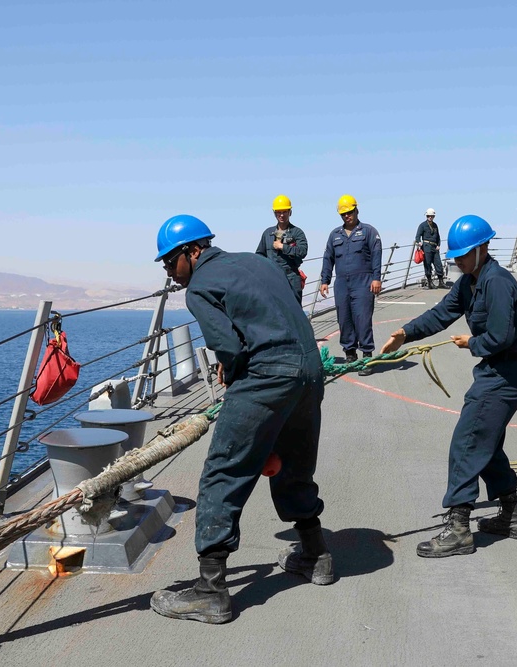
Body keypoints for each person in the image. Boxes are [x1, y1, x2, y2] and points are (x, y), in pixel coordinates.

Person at [150, 214, 331, 625]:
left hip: (267, 376)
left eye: (170, 262)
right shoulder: (257, 261)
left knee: (223, 472)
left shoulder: (199, 286)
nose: (169, 272)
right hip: (309, 370)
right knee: (294, 465)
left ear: (192, 252)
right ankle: (316, 555)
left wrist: (231, 371)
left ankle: (210, 592)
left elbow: (228, 347)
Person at [381, 215, 517, 557]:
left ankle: (459, 528)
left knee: (467, 441)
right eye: (456, 256)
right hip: (495, 371)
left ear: (482, 249)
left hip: (506, 374)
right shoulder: (470, 282)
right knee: (485, 443)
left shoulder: (497, 282)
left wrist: (472, 343)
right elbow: (442, 312)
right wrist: (405, 333)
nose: (458, 261)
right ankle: (512, 514)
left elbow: (501, 335)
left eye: (463, 255)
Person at [320, 195, 383, 377]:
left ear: (356, 210)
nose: (347, 216)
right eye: (343, 214)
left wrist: (376, 278)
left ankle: (367, 358)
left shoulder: (369, 232)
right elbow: (328, 258)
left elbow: (376, 254)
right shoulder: (335, 235)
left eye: (349, 212)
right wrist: (325, 280)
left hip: (363, 281)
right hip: (341, 283)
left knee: (362, 319)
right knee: (344, 318)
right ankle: (350, 354)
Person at [256, 194, 309, 303]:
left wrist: (283, 247)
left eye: (284, 212)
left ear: (290, 212)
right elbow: (259, 255)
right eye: (278, 212)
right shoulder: (267, 233)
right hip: (272, 279)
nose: (281, 215)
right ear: (274, 213)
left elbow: (302, 251)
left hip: (291, 278)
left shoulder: (297, 232)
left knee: (294, 310)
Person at [415, 208, 445, 289]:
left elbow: (438, 237)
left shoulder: (435, 225)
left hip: (434, 247)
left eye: (432, 216)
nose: (430, 217)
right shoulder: (422, 225)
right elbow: (417, 236)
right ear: (426, 216)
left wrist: (438, 245)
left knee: (438, 264)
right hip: (426, 246)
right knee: (427, 264)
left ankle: (441, 282)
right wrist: (419, 242)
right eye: (428, 216)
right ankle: (430, 283)